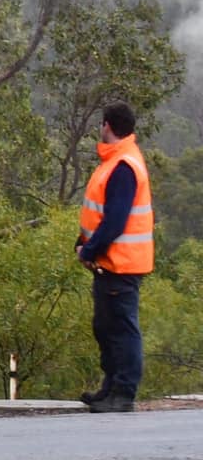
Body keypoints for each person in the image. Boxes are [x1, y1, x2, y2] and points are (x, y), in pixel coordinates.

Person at [77, 101, 153, 413]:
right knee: (106, 327)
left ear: (106, 125)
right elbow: (97, 215)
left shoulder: (124, 166)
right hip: (108, 263)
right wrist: (81, 244)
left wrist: (90, 249)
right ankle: (110, 388)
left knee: (122, 328)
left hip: (121, 264)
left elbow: (115, 221)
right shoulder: (114, 161)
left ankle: (124, 392)